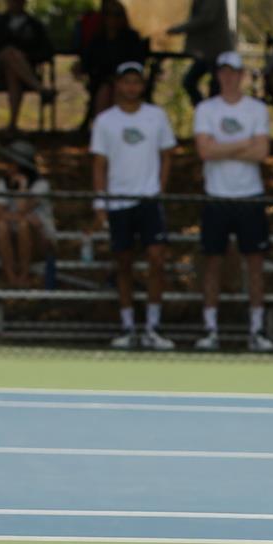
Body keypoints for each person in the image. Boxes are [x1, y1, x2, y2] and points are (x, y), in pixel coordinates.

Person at [90, 60, 177, 349]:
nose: (131, 87)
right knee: (123, 263)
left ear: (143, 85)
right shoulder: (105, 122)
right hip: (118, 202)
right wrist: (100, 202)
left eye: (136, 81)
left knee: (156, 259)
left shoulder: (156, 116)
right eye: (126, 81)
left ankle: (152, 327)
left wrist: (159, 190)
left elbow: (167, 155)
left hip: (148, 200)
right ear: (118, 84)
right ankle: (128, 327)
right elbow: (99, 164)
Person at [191, 51, 273, 352]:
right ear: (218, 75)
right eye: (224, 71)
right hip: (216, 197)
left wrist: (221, 146)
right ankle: (211, 329)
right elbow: (205, 152)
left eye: (234, 71)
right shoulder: (205, 109)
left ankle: (256, 330)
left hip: (250, 197)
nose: (229, 76)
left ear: (241, 75)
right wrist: (243, 143)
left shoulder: (257, 109)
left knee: (254, 265)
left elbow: (261, 152)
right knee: (212, 264)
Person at [0, 0, 57, 134]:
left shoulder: (35, 25)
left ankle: (12, 125)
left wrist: (25, 55)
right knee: (10, 53)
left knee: (12, 69)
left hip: (21, 72)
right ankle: (40, 89)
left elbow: (47, 51)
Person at [0, 138, 55, 289]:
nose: (8, 166)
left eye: (11, 162)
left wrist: (22, 188)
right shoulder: (3, 183)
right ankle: (11, 277)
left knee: (23, 225)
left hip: (40, 240)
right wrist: (19, 217)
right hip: (12, 238)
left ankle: (24, 276)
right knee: (2, 227)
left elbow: (22, 209)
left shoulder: (41, 185)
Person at [71, 0, 146, 128]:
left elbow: (136, 62)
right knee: (105, 91)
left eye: (117, 15)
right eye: (109, 14)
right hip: (101, 81)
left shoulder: (131, 38)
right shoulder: (97, 40)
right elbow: (88, 63)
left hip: (125, 79)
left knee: (118, 89)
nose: (113, 19)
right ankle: (104, 130)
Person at [167, 0, 231, 110]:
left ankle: (209, 114)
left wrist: (178, 29)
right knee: (190, 82)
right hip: (208, 53)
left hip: (217, 52)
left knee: (214, 88)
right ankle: (205, 112)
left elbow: (206, 18)